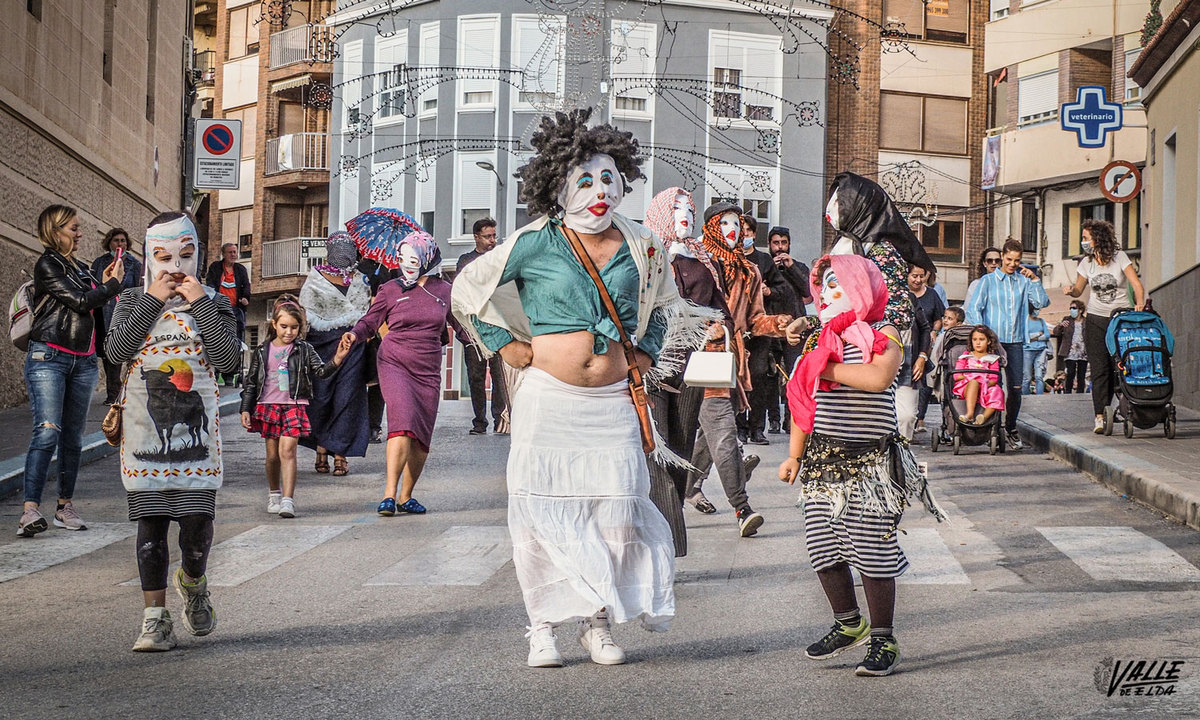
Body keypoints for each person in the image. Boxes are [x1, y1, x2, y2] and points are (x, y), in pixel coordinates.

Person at [450, 109, 714, 668]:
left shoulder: (644, 245)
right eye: (585, 180)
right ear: (560, 184)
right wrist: (503, 343)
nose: (599, 190)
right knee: (541, 511)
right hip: (550, 398)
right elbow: (467, 289)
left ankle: (597, 622)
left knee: (616, 510)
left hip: (612, 400)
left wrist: (646, 352)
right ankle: (542, 625)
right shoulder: (535, 240)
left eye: (607, 179)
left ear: (623, 181)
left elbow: (666, 304)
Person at [779, 254, 944, 678]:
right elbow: (804, 407)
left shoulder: (883, 332)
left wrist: (823, 365)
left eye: (841, 284)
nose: (831, 292)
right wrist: (794, 455)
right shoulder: (821, 339)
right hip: (822, 461)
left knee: (871, 551)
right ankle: (848, 623)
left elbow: (877, 378)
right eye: (826, 286)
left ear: (864, 287)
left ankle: (883, 639)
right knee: (822, 548)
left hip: (873, 463)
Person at [103, 211, 241, 652]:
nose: (174, 266)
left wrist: (200, 302)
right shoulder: (130, 301)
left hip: (198, 442)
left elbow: (229, 361)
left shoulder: (215, 302)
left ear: (198, 255)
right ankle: (155, 618)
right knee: (151, 525)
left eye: (185, 255)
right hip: (144, 430)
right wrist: (150, 300)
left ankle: (194, 581)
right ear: (149, 257)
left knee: (197, 525)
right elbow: (116, 350)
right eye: (163, 257)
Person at [683, 202, 793, 536]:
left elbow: (755, 319)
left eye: (739, 224)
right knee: (723, 432)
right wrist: (704, 325)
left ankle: (688, 488)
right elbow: (675, 307)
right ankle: (742, 507)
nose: (734, 231)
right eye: (726, 223)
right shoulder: (693, 264)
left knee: (708, 434)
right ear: (713, 227)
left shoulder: (749, 272)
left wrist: (780, 324)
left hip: (731, 364)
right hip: (696, 360)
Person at [18, 205, 124, 537]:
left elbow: (97, 314)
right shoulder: (48, 264)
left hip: (84, 360)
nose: (79, 234)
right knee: (47, 431)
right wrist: (111, 287)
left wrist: (105, 285)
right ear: (55, 230)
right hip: (48, 356)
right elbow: (80, 301)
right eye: (73, 228)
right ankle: (29, 511)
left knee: (73, 439)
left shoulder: (83, 268)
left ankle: (65, 507)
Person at [344, 230, 454, 517]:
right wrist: (354, 335)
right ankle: (389, 495)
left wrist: (493, 345)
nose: (406, 264)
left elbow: (464, 323)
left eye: (413, 258)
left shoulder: (444, 290)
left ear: (427, 258)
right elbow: (370, 321)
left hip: (428, 368)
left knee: (421, 436)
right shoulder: (390, 289)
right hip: (394, 362)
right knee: (402, 422)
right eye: (402, 258)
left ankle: (406, 496)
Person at [241, 297, 349, 518]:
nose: (289, 332)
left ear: (300, 328)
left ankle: (288, 501)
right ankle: (274, 494)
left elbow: (320, 372)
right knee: (272, 456)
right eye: (284, 326)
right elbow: (251, 381)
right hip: (267, 405)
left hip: (294, 405)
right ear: (274, 325)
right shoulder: (262, 350)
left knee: (288, 451)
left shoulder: (304, 349)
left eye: (294, 327)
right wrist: (245, 408)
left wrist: (337, 359)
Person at [1063, 218, 1146, 433]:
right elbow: (1079, 290)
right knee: (1099, 369)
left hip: (1120, 319)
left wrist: (1139, 304)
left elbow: (1136, 284)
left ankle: (1126, 407)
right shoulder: (1085, 263)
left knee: (1117, 366)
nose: (1083, 242)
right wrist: (1070, 291)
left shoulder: (1120, 258)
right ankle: (1100, 415)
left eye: (1085, 238)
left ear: (1097, 239)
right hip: (1096, 321)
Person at [965, 239, 1049, 449]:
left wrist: (1035, 280)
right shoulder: (987, 281)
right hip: (993, 343)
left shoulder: (1023, 281)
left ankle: (1010, 427)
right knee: (994, 385)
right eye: (1009, 259)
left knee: (1016, 388)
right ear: (1003, 256)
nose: (1012, 264)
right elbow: (974, 308)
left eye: (1017, 260)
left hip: (1016, 342)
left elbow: (1041, 304)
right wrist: (982, 334)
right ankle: (993, 427)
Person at [298, 232, 371, 476]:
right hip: (320, 343)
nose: (343, 252)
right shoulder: (315, 277)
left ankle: (339, 453)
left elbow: (365, 309)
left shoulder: (362, 279)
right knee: (321, 397)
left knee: (348, 397)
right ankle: (321, 448)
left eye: (348, 247)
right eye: (338, 247)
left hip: (353, 343)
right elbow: (305, 312)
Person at [737, 214, 788, 445]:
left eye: (748, 230)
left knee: (758, 376)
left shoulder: (764, 261)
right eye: (741, 229)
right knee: (737, 377)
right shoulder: (730, 258)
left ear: (754, 234)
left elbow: (781, 289)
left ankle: (757, 427)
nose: (744, 234)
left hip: (761, 328)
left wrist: (768, 292)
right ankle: (739, 427)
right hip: (737, 329)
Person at [456, 217, 510, 435]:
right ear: (476, 237)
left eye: (494, 236)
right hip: (473, 330)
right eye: (487, 236)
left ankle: (499, 419)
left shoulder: (500, 259)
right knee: (476, 378)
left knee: (499, 378)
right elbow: (461, 293)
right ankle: (479, 421)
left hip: (498, 327)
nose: (492, 240)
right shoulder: (466, 261)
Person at [767, 225, 813, 433]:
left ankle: (790, 420)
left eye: (783, 243)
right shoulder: (764, 266)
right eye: (776, 243)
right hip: (770, 326)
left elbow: (807, 290)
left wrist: (791, 266)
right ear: (769, 245)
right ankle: (773, 419)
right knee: (768, 376)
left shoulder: (800, 266)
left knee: (793, 375)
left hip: (795, 328)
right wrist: (773, 268)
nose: (779, 248)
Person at [92, 227, 144, 405]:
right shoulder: (100, 262)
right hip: (104, 312)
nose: (120, 243)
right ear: (109, 242)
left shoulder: (134, 264)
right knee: (107, 353)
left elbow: (138, 288)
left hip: (125, 311)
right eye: (116, 240)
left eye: (122, 240)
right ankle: (114, 390)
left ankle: (120, 390)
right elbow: (95, 285)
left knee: (123, 350)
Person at [204, 242, 251, 385]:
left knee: (235, 340)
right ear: (223, 254)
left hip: (235, 310)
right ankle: (216, 370)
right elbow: (210, 283)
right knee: (216, 338)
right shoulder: (215, 267)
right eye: (230, 252)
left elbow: (246, 285)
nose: (233, 255)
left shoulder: (241, 269)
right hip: (219, 310)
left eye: (235, 252)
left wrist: (245, 298)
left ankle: (230, 373)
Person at [907, 265, 944, 434]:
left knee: (924, 379)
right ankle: (910, 419)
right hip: (907, 343)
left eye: (921, 276)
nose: (918, 280)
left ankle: (919, 417)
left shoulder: (932, 294)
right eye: (915, 275)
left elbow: (938, 318)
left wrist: (935, 332)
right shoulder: (901, 295)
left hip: (926, 342)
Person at [953, 325, 1005, 425]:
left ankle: (983, 417)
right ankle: (970, 414)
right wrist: (973, 377)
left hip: (985, 386)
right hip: (967, 386)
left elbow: (993, 378)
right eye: (975, 339)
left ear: (988, 341)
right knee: (974, 382)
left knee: (997, 391)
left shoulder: (992, 359)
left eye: (981, 339)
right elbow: (957, 375)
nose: (978, 342)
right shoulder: (966, 356)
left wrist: (984, 383)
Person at [1051, 300, 1088, 394]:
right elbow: (1056, 332)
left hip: (1083, 351)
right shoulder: (1067, 320)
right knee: (1070, 372)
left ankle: (1080, 393)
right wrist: (1060, 325)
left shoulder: (1086, 322)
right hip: (1070, 351)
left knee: (1081, 374)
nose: (1072, 310)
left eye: (1074, 308)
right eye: (1070, 308)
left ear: (1080, 310)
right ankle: (1068, 392)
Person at [1023, 305, 1050, 395]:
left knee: (1039, 376)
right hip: (1028, 351)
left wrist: (1034, 338)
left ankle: (1039, 397)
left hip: (1041, 351)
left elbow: (1047, 335)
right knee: (1027, 377)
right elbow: (1025, 337)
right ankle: (1025, 397)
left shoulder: (1041, 321)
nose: (1037, 311)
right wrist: (1038, 333)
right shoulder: (1025, 322)